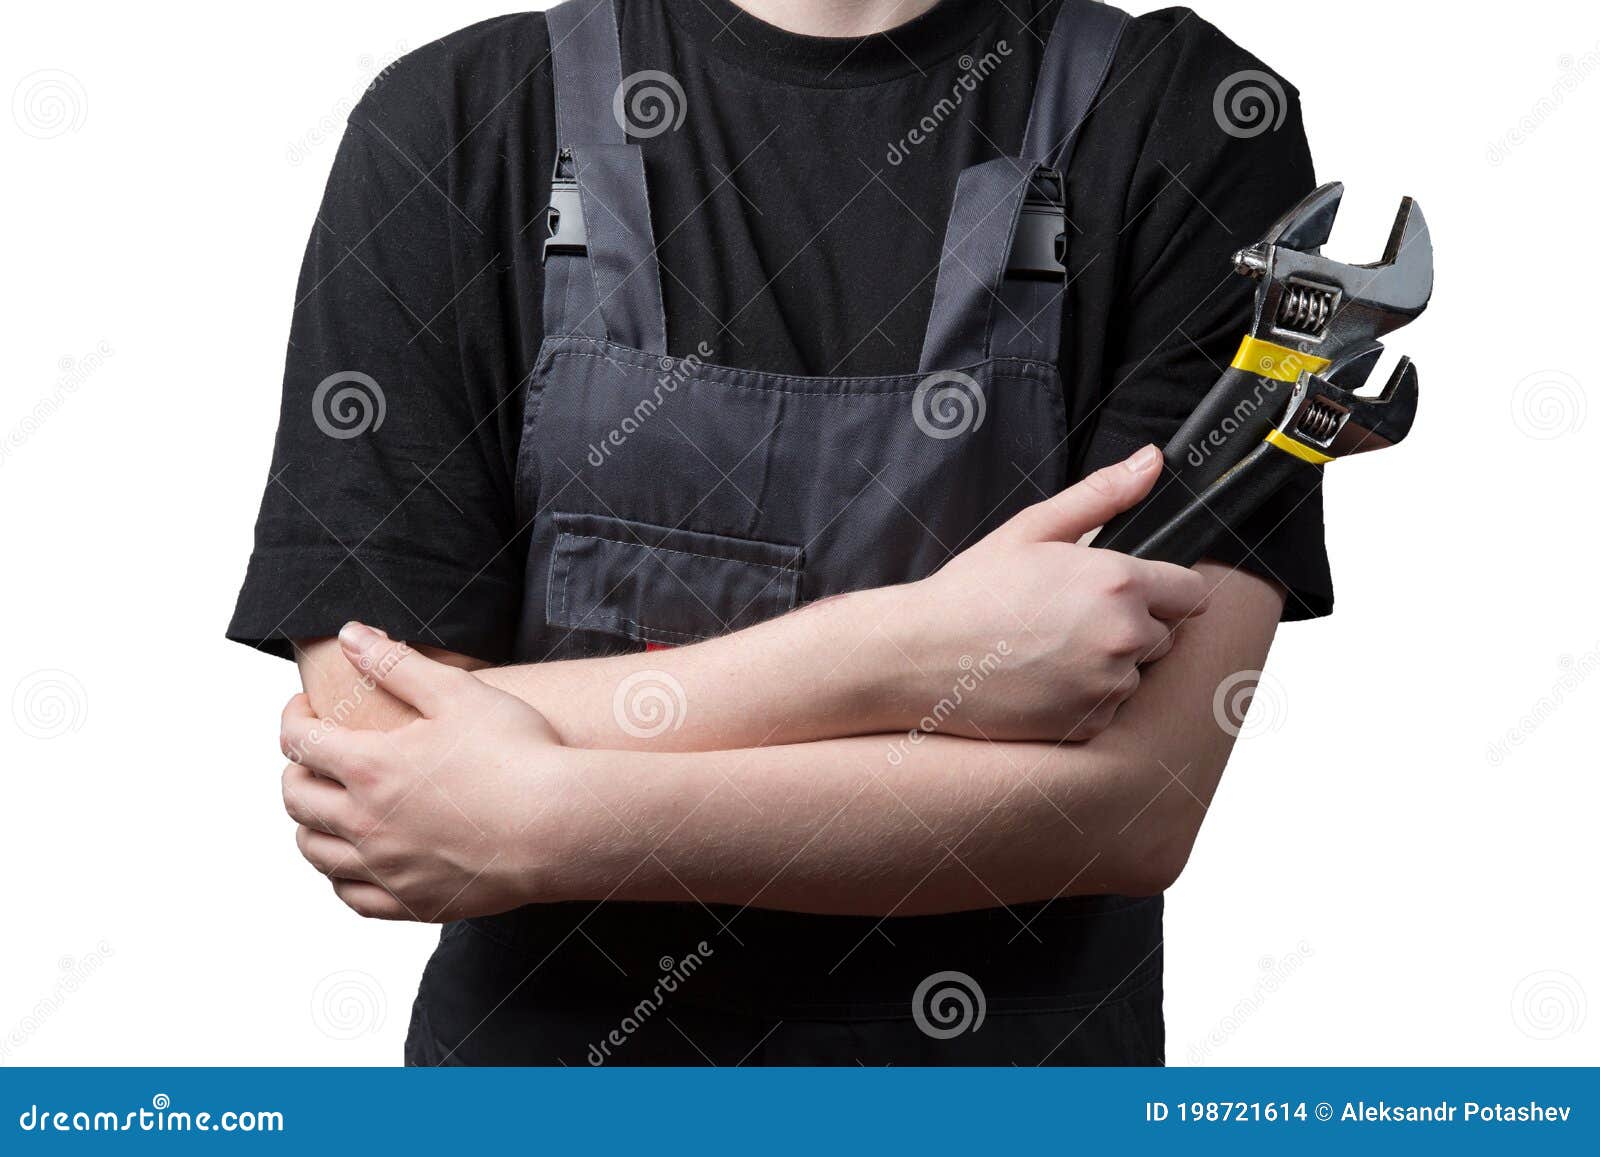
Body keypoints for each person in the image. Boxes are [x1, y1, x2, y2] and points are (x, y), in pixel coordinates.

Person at [229, 0, 1332, 1065]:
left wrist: (537, 815)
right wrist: (900, 653)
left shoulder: (1191, 119)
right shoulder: (459, 120)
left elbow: (1138, 805)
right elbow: (375, 735)